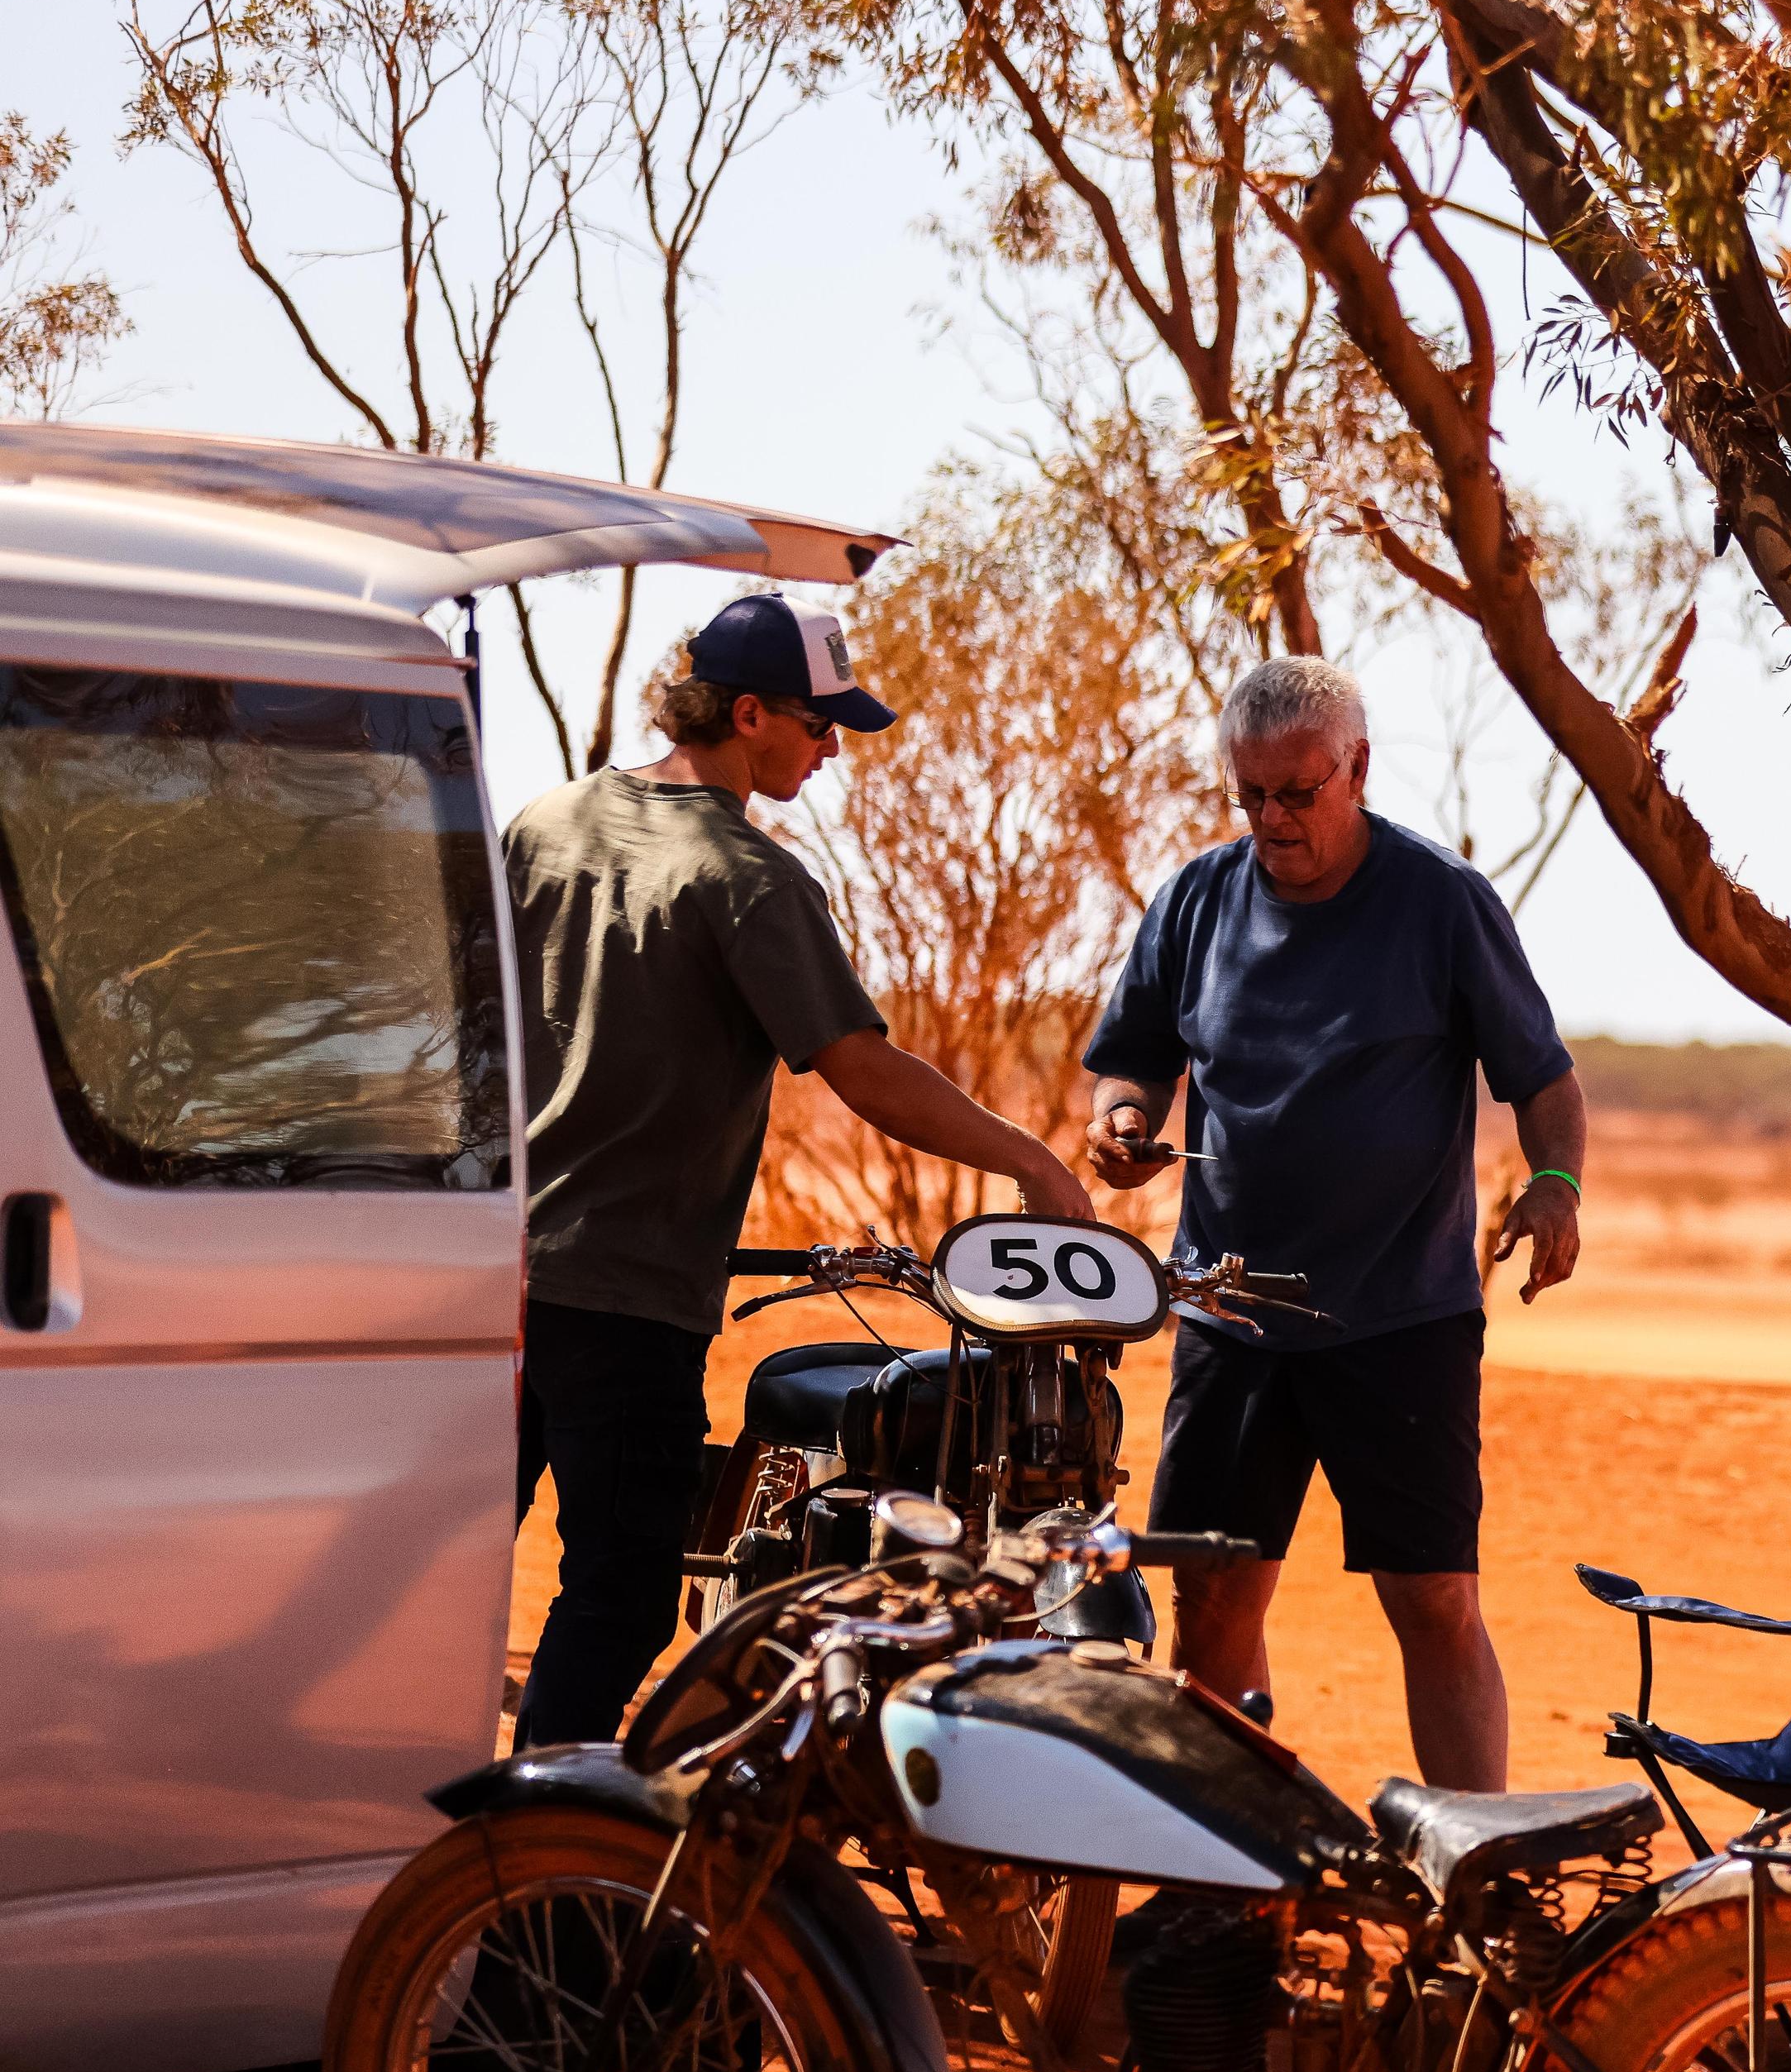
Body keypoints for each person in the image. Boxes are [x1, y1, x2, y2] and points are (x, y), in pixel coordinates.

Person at [505, 591, 1092, 1744]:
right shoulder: (750, 878)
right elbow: (861, 1069)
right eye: (820, 726)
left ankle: (408, 1868)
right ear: (750, 712)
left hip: (488, 1282)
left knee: (442, 1584)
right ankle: (548, 1904)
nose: (832, 750)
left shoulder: (548, 821)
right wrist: (1027, 1157)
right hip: (624, 1303)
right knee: (621, 1598)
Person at [1083, 656, 1583, 1792]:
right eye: (1249, 792)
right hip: (1227, 1313)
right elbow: (1132, 1061)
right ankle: (1223, 1889)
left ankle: (1477, 1868)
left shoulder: (1439, 902)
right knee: (1210, 1593)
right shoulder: (1198, 899)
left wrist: (1556, 1182)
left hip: (1400, 1317)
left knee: (1434, 1596)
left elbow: (1543, 1078)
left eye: (1298, 791)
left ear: (1356, 767)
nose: (1271, 817)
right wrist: (1121, 1121)